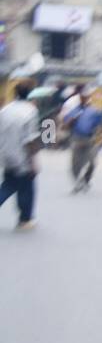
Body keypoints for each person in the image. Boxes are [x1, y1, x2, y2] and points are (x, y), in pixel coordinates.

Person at [0, 78, 42, 230]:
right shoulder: (31, 111)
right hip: (21, 157)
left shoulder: (5, 109)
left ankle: (24, 218)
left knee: (9, 185)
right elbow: (30, 140)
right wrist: (33, 162)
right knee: (27, 188)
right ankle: (25, 219)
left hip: (6, 155)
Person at [65, 90, 102, 193]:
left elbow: (100, 124)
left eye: (86, 97)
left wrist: (101, 138)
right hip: (77, 138)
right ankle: (77, 182)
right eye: (82, 97)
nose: (84, 99)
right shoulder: (74, 111)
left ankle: (86, 179)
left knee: (92, 162)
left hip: (90, 138)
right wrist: (72, 120)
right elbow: (66, 125)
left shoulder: (93, 111)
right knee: (75, 163)